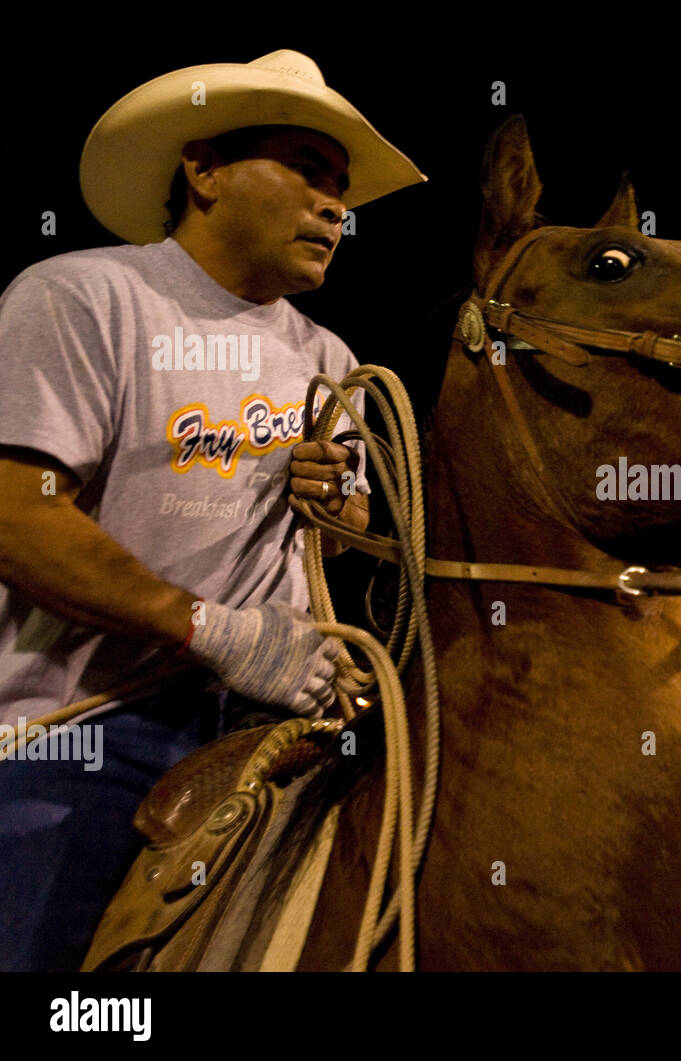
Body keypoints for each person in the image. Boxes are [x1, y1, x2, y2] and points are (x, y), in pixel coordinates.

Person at [0, 50, 425, 970]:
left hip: (282, 723)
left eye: (341, 189)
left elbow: (344, 546)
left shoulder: (329, 353)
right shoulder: (82, 297)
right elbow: (19, 521)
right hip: (87, 724)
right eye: (308, 171)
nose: (336, 206)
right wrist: (218, 634)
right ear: (204, 171)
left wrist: (342, 510)